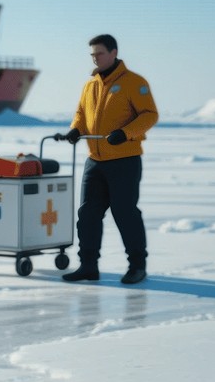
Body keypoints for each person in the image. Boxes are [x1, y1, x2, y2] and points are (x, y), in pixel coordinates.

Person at [59, 34, 158, 284]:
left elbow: (149, 115)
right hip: (95, 161)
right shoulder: (90, 85)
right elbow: (81, 114)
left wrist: (125, 133)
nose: (95, 58)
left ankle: (137, 266)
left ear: (114, 53)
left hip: (124, 159)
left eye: (100, 53)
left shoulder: (134, 82)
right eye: (93, 54)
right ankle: (88, 266)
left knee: (125, 212)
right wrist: (75, 130)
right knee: (88, 214)